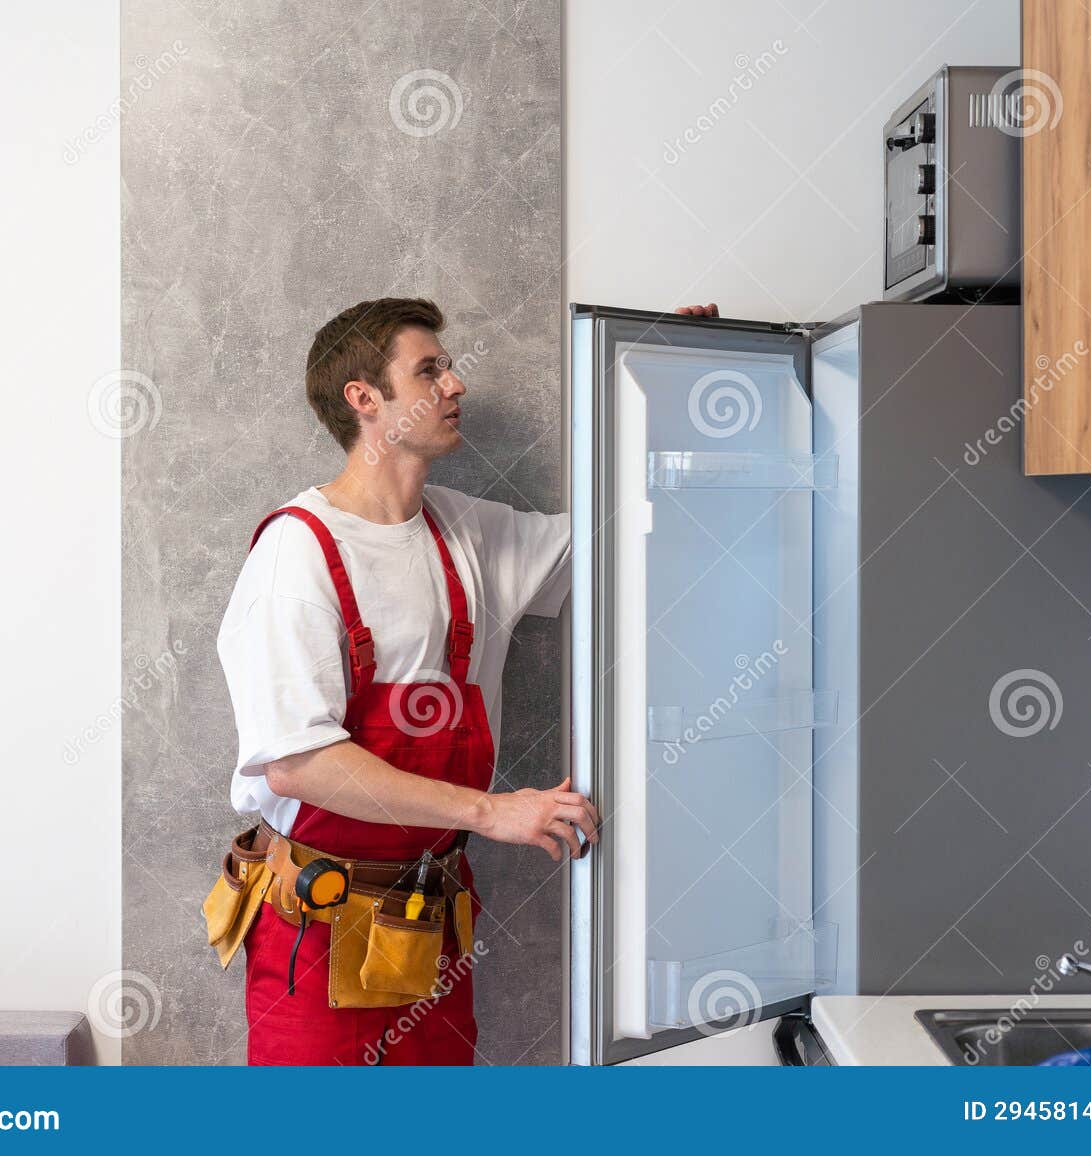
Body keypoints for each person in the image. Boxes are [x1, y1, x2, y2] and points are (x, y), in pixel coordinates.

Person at [210, 296, 719, 1065]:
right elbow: (299, 760)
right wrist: (492, 811)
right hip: (316, 932)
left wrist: (665, 377)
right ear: (365, 399)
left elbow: (621, 532)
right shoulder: (297, 555)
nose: (456, 386)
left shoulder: (468, 531)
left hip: (428, 927)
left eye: (446, 368)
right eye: (430, 370)